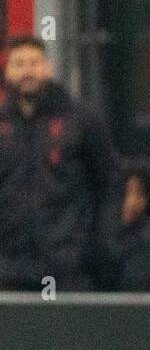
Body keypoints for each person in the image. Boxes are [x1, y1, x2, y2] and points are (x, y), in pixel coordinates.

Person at [0, 34, 120, 292]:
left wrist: (102, 247)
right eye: (18, 64)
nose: (27, 71)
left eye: (34, 63)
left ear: (49, 68)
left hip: (69, 267)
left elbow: (109, 184)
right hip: (8, 267)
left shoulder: (80, 119)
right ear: (7, 71)